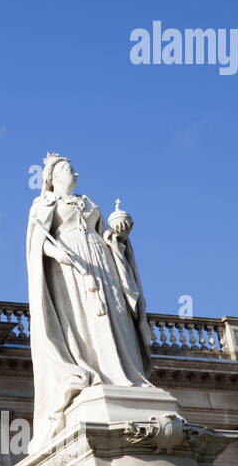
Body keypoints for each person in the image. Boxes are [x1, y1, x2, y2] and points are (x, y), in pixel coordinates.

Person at [26, 154, 153, 443]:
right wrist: (57, 254)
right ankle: (94, 372)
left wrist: (119, 236)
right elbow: (39, 240)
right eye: (69, 170)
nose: (76, 174)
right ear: (55, 177)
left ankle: (122, 375)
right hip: (70, 268)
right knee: (83, 320)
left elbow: (104, 233)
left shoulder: (88, 202)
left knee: (114, 315)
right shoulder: (45, 204)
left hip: (100, 262)